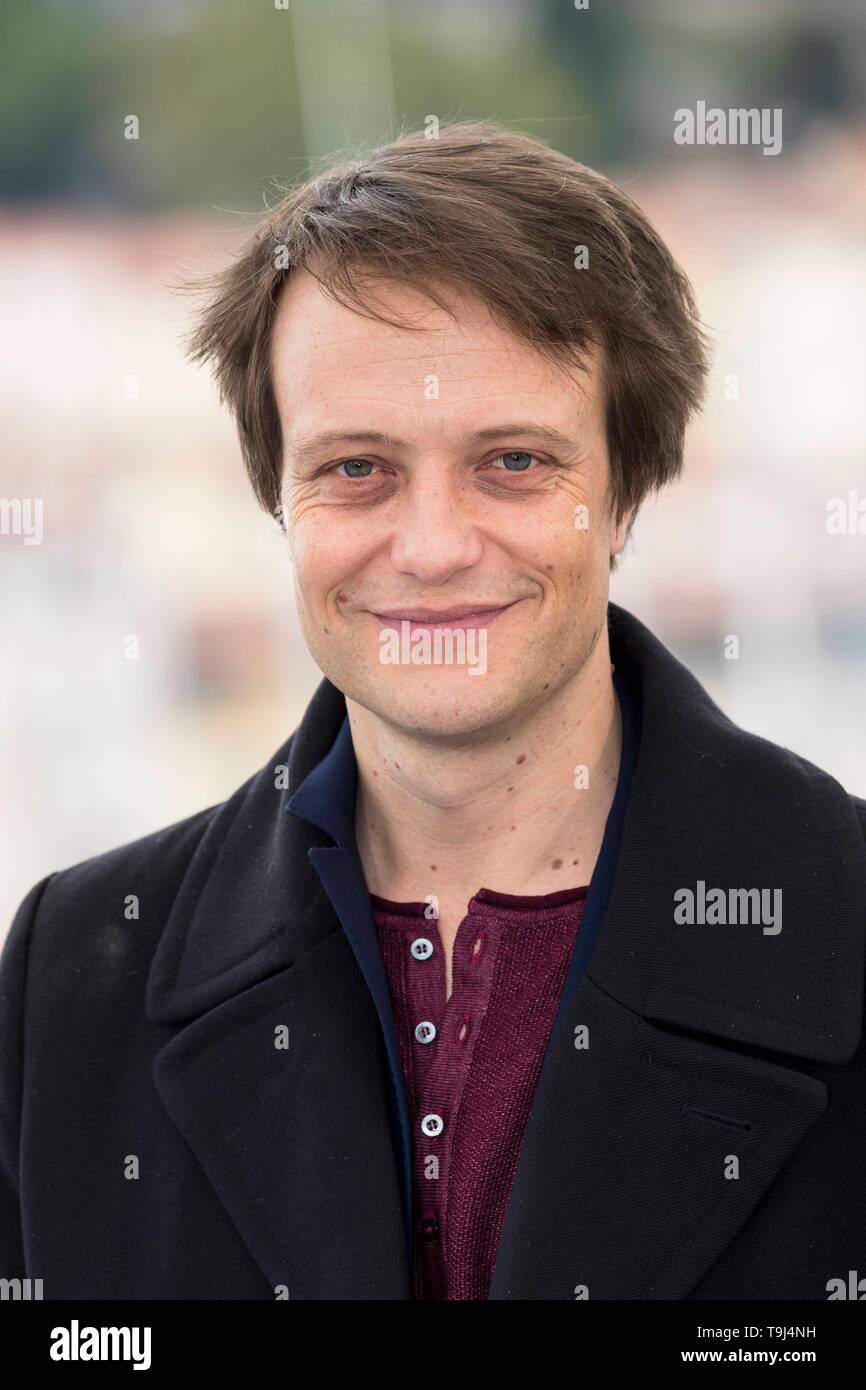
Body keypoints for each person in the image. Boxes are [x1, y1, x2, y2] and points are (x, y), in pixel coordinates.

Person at [2, 121, 864, 1302]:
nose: (432, 545)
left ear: (625, 489)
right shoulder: (74, 974)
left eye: (512, 461)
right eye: (356, 467)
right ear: (277, 496)